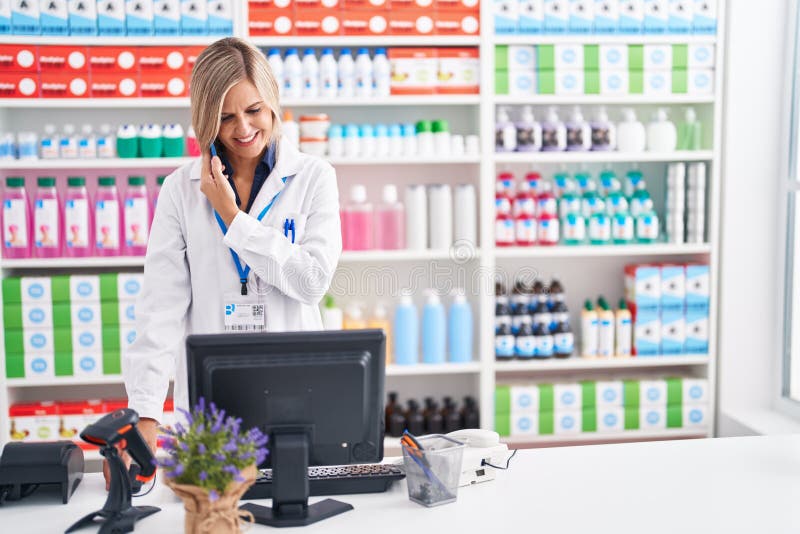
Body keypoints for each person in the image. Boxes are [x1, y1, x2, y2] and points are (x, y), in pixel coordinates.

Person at [109, 38, 342, 488]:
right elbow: (160, 310)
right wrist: (145, 416)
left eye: (254, 110)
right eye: (225, 116)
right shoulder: (180, 190)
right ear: (205, 117)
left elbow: (312, 281)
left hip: (296, 397)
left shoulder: (314, 178)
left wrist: (234, 220)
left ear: (273, 101)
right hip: (210, 409)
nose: (243, 128)